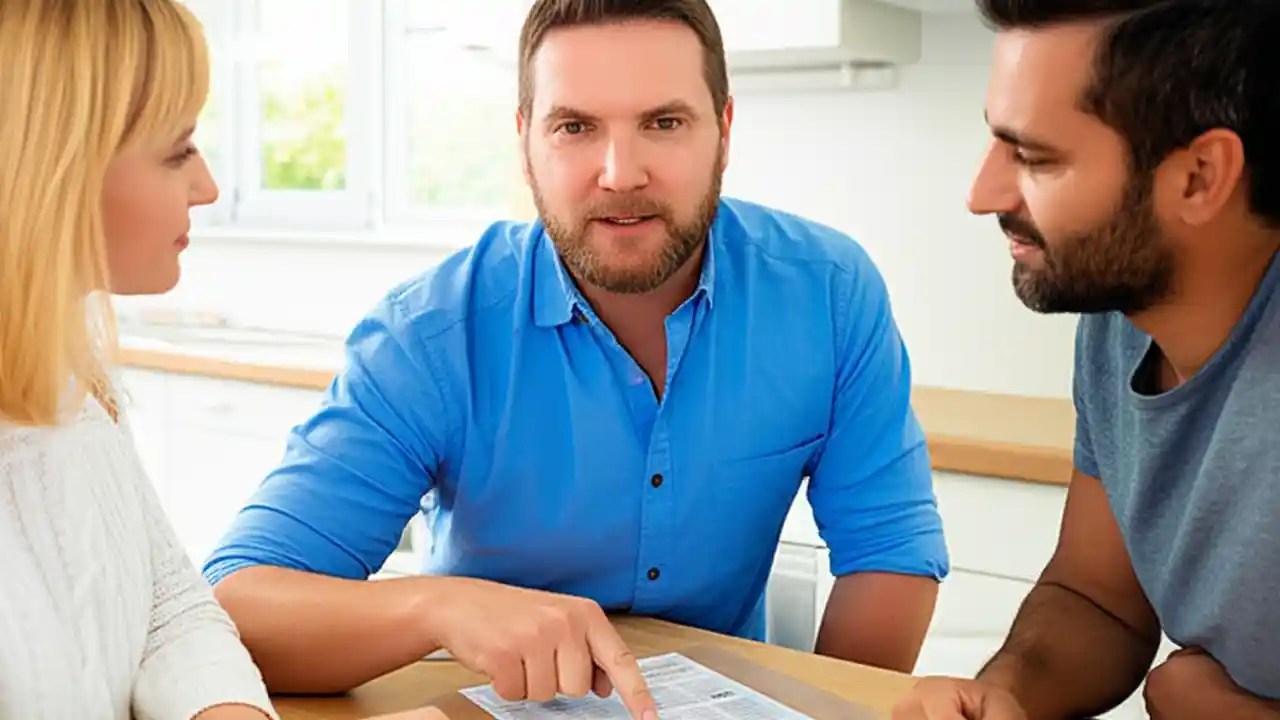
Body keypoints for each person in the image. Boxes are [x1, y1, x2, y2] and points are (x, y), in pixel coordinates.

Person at [203, 0, 950, 715]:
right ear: (526, 141)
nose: (621, 172)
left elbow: (888, 554)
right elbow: (236, 605)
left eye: (664, 122)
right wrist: (440, 605)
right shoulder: (427, 335)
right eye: (575, 127)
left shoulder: (828, 292)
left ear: (723, 129)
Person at [893, 1, 1280, 719]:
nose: (984, 195)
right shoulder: (1121, 325)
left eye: (1035, 158)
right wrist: (1003, 695)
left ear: (1199, 176)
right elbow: (1096, 599)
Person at [0, 1, 278, 718]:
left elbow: (167, 605)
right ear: (57, 166)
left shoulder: (72, 384)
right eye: (178, 149)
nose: (207, 186)